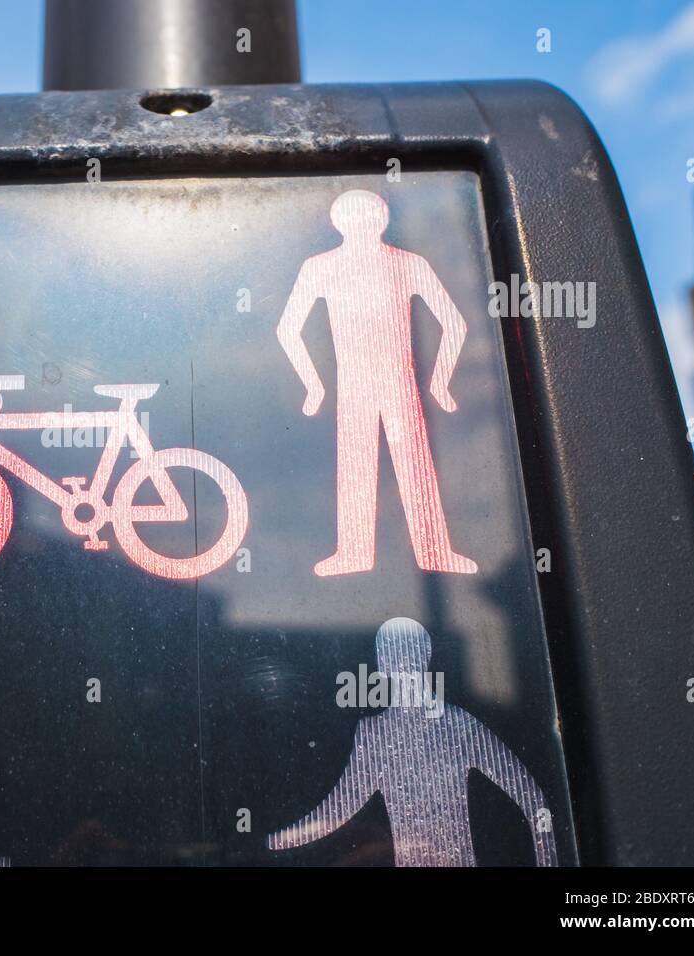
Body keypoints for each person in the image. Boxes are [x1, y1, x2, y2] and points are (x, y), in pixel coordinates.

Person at [277, 189, 476, 576]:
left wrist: (440, 382)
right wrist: (313, 385)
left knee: (415, 464)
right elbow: (288, 329)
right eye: (354, 217)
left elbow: (454, 323)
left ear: (382, 220)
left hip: (400, 381)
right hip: (354, 384)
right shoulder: (320, 267)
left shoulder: (408, 263)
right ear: (338, 223)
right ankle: (352, 553)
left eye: (369, 216)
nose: (362, 224)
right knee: (355, 466)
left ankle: (436, 552)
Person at [267, 617, 557, 866]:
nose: (402, 666)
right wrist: (279, 840)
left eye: (405, 658)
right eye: (396, 658)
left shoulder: (458, 726)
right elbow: (341, 806)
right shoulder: (376, 733)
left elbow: (530, 796)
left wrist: (548, 857)